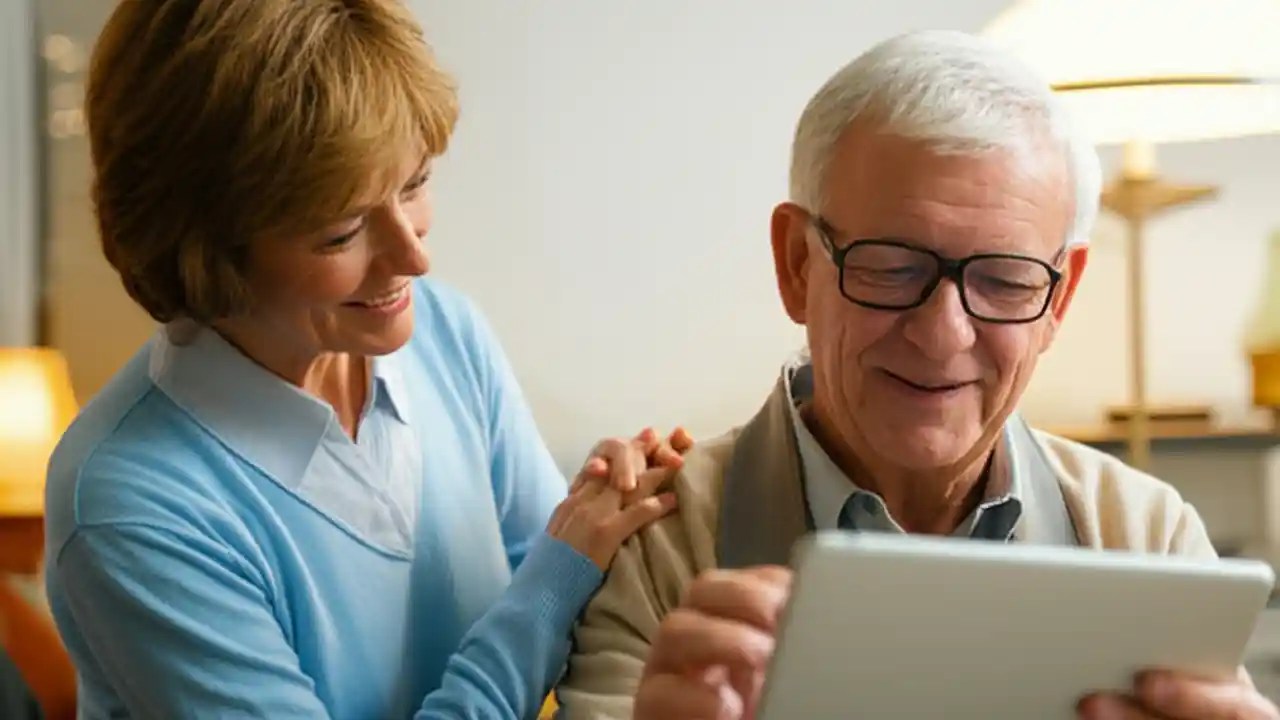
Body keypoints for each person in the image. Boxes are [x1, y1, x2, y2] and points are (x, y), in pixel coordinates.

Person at [554, 29, 1280, 720]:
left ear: (1060, 297)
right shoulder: (655, 543)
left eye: (1004, 280)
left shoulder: (1145, 538)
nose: (943, 335)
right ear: (798, 264)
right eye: (892, 267)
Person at [42, 2, 692, 719]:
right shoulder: (132, 506)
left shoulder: (447, 336)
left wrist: (613, 511)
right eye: (341, 232)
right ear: (204, 242)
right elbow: (554, 586)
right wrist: (558, 574)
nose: (414, 256)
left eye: (413, 184)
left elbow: (578, 598)